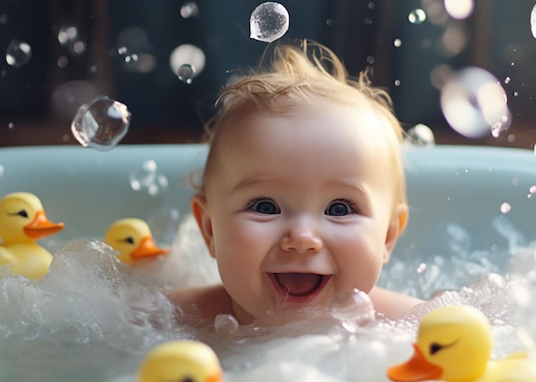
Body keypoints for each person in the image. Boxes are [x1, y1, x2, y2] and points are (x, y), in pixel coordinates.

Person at [168, 40, 422, 325]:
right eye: (265, 207)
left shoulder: (414, 326)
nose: (302, 238)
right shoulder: (168, 320)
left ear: (387, 238)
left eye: (339, 209)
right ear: (210, 229)